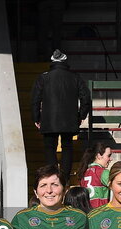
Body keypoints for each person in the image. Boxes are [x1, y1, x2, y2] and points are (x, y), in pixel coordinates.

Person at [31, 49, 90, 180]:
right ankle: (65, 177)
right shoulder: (75, 77)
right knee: (67, 147)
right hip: (69, 120)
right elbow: (86, 98)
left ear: (52, 61)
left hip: (48, 120)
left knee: (49, 147)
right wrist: (81, 115)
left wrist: (36, 117)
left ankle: (52, 176)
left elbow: (35, 99)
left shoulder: (44, 77)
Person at [78, 140, 113, 207]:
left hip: (88, 211)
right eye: (109, 155)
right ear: (99, 156)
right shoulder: (103, 172)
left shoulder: (84, 171)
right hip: (100, 212)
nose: (110, 159)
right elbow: (118, 187)